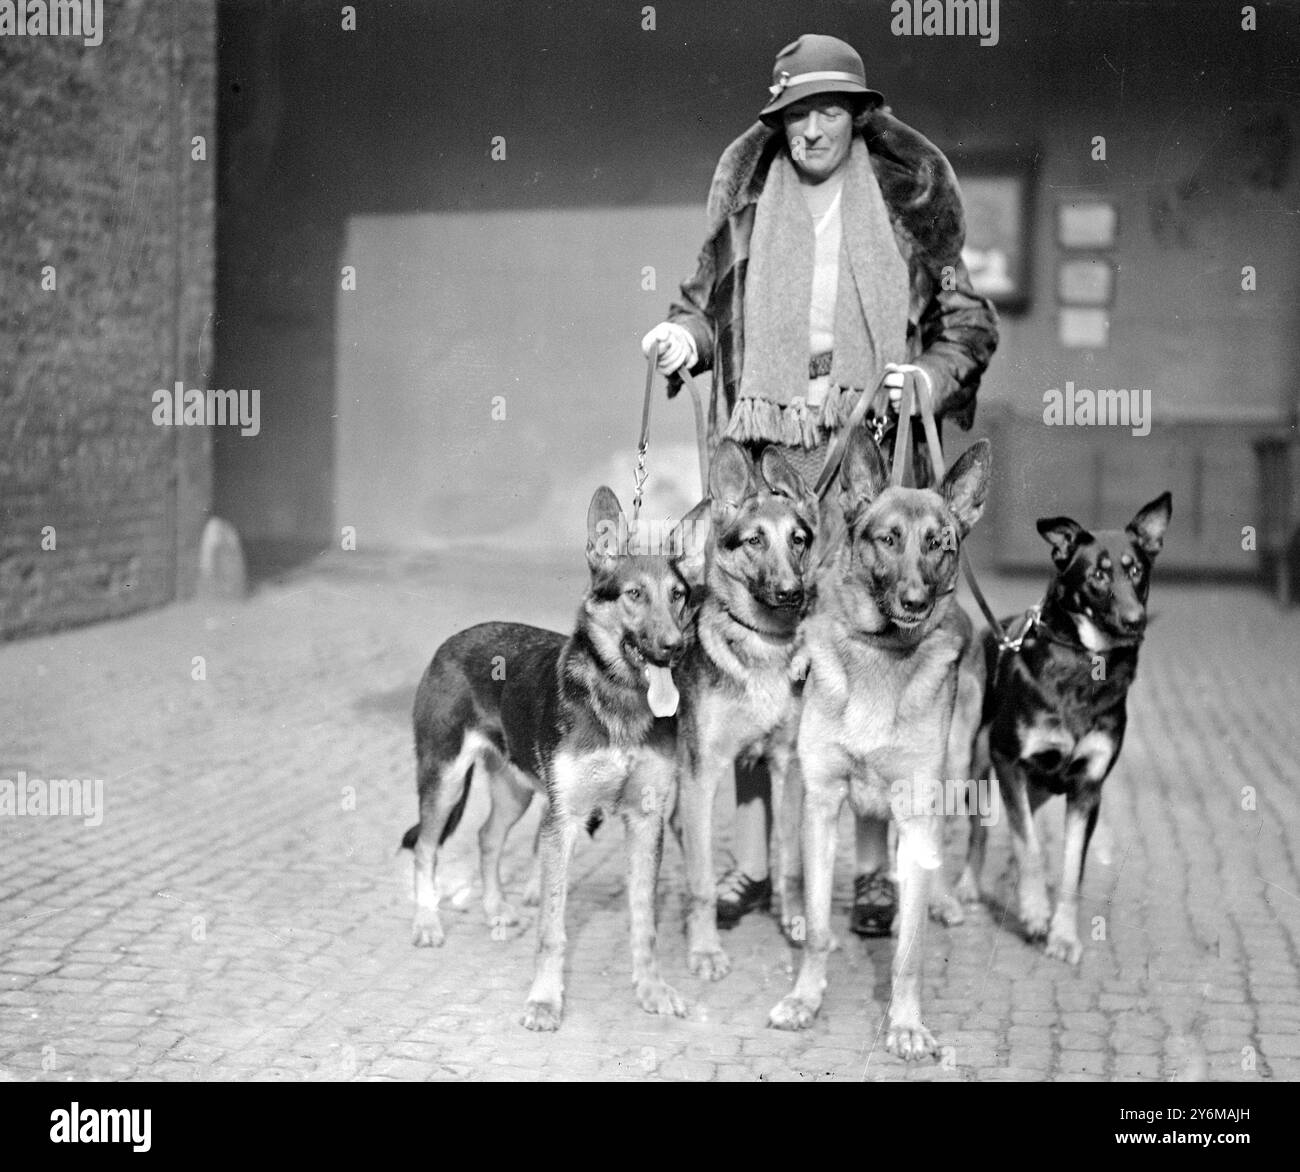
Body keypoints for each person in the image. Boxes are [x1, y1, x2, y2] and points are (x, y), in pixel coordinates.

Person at [642, 33, 998, 936]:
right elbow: (703, 300)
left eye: (828, 110)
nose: (811, 130)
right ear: (780, 123)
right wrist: (688, 338)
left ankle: (873, 874)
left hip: (869, 467)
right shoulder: (753, 206)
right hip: (769, 457)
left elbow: (968, 323)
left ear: (859, 117)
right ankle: (757, 867)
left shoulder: (905, 211)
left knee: (870, 655)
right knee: (760, 654)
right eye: (796, 113)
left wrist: (925, 376)